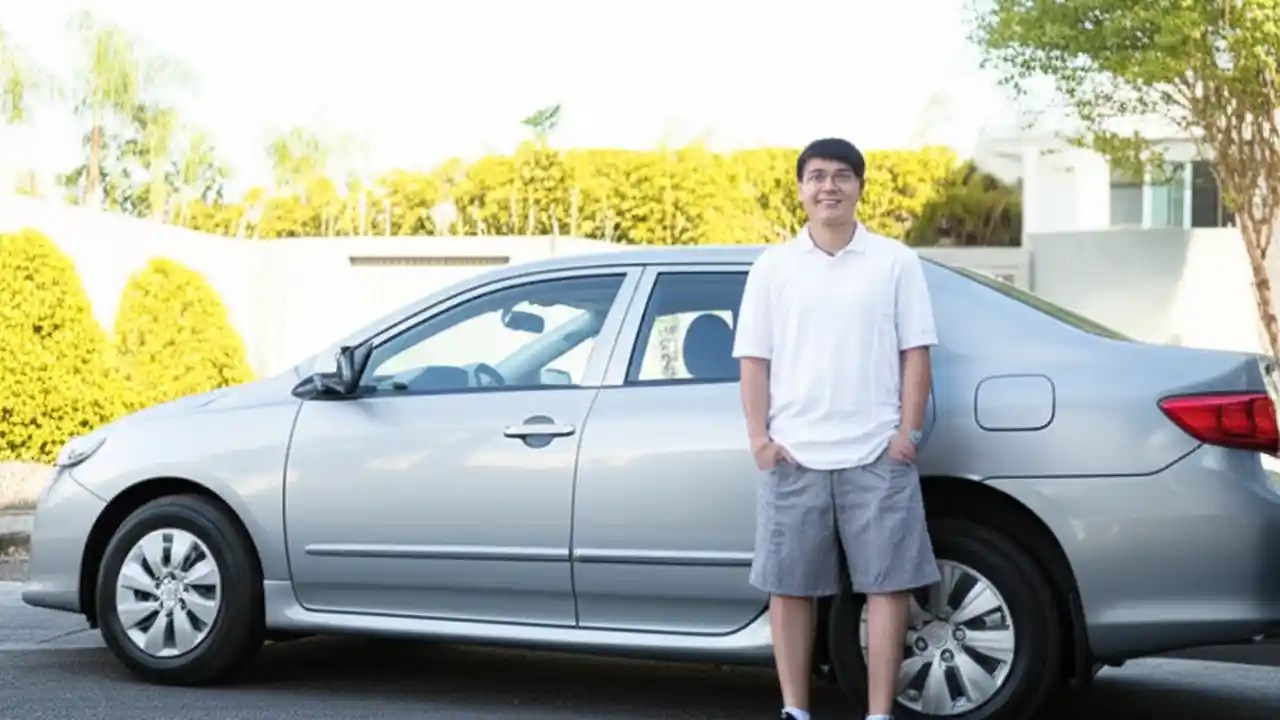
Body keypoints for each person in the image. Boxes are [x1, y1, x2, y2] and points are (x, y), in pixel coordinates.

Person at [732, 137, 942, 720]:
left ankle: (880, 713)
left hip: (877, 452)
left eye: (842, 175)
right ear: (801, 189)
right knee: (790, 587)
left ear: (859, 187)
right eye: (817, 175)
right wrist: (759, 440)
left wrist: (908, 435)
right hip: (794, 453)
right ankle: (795, 710)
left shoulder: (895, 261)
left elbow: (916, 352)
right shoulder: (773, 267)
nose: (829, 186)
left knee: (888, 586)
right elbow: (754, 359)